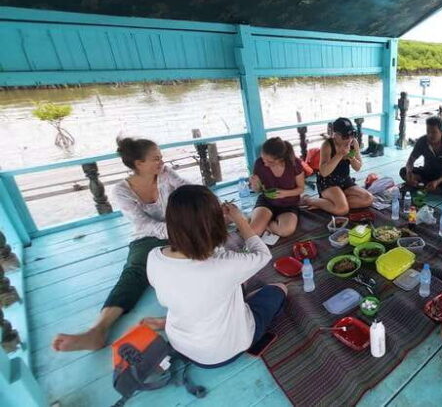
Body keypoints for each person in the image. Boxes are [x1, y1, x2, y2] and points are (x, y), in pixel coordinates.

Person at [53, 137, 189, 352]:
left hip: (180, 230)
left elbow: (189, 191)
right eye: (155, 158)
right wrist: (178, 231)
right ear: (138, 164)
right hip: (149, 236)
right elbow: (144, 223)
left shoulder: (164, 174)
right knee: (135, 272)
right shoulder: (121, 190)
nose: (161, 162)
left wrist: (196, 216)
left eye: (161, 157)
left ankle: (182, 318)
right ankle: (97, 331)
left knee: (201, 260)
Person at [144, 185, 286, 367]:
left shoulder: (155, 256)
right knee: (280, 289)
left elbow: (181, 286)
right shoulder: (223, 263)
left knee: (213, 292)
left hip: (179, 341)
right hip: (221, 352)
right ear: (214, 223)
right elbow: (263, 255)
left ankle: (170, 323)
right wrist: (240, 219)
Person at [302, 117, 373, 215]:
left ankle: (331, 204)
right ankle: (309, 200)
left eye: (352, 134)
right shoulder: (327, 145)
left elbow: (358, 167)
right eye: (345, 136)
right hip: (328, 182)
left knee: (368, 199)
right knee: (342, 210)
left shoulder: (353, 143)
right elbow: (324, 172)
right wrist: (339, 155)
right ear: (335, 135)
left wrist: (351, 158)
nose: (349, 139)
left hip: (345, 180)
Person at [248, 137, 305, 237]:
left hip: (289, 204)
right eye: (263, 159)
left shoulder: (294, 163)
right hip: (267, 201)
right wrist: (255, 185)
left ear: (281, 159)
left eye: (269, 162)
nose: (265, 163)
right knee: (254, 233)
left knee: (286, 231)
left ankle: (262, 222)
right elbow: (257, 190)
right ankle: (261, 221)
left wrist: (284, 193)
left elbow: (301, 188)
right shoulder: (259, 164)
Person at [399, 116, 442, 195]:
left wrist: (437, 182)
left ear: (441, 132)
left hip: (441, 177)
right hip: (426, 172)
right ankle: (425, 186)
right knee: (403, 171)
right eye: (428, 131)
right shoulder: (422, 141)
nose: (430, 135)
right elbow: (411, 160)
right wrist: (409, 173)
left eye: (433, 132)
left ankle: (422, 186)